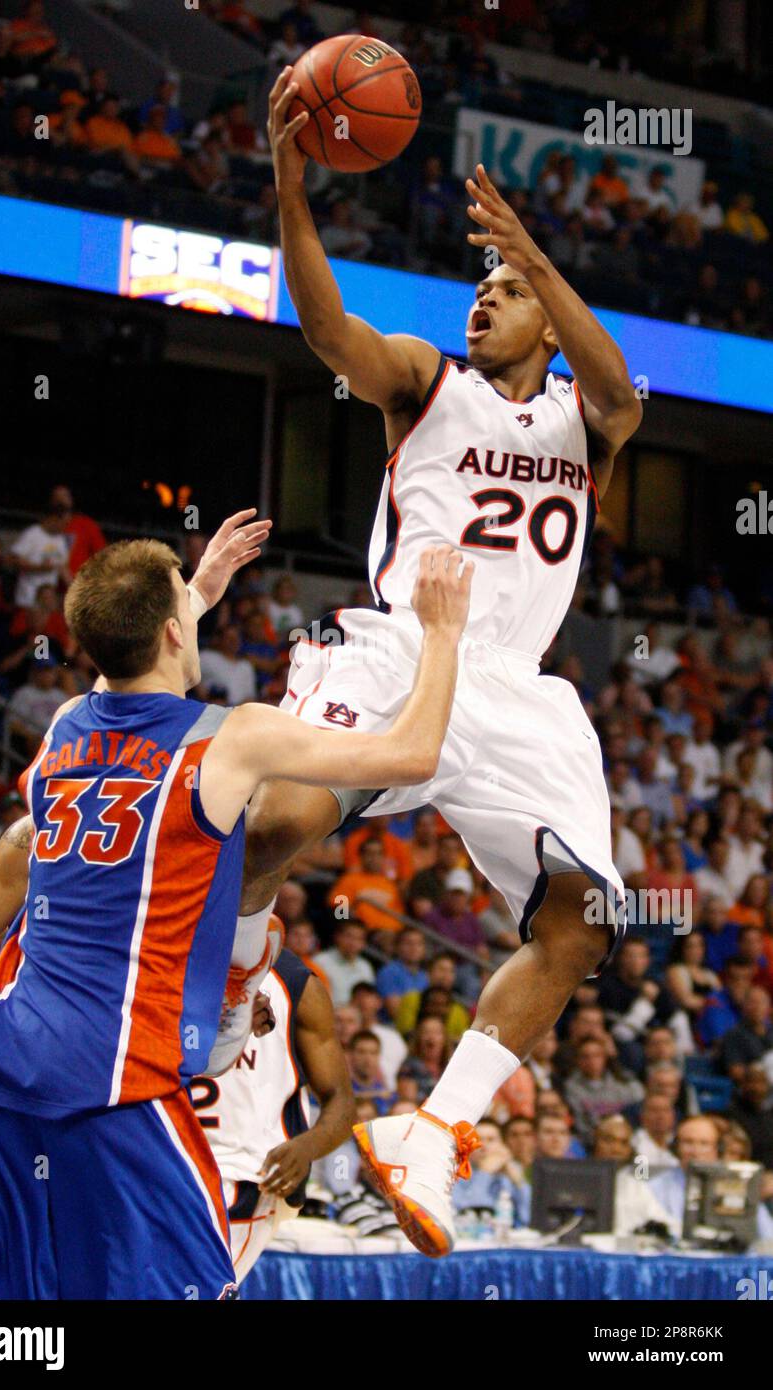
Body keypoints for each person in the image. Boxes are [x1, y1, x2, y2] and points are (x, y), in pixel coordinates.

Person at [240, 67, 643, 1257]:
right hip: (401, 650)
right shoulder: (425, 380)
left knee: (579, 925)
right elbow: (326, 331)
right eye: (481, 284)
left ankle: (435, 1131)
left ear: (547, 318)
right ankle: (207, 990)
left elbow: (615, 385)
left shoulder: (589, 418)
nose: (485, 300)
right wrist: (292, 188)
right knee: (273, 825)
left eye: (507, 291)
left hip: (518, 689)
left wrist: (541, 259)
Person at [0, 515, 472, 1298]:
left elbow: (118, 657)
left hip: (1, 1068)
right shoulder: (230, 739)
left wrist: (196, 594)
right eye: (186, 604)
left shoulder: (63, 729)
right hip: (115, 1084)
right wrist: (443, 631)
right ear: (176, 632)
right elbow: (415, 753)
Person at [192, 948, 353, 1280]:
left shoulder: (294, 982)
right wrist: (218, 1035)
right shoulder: (153, 953)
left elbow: (341, 1103)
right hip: (155, 1165)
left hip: (241, 1176)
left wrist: (306, 1147)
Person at [649, 1115, 773, 1243]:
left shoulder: (738, 1186)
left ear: (718, 1149)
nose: (695, 1151)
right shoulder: (653, 1188)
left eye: (704, 1143)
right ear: (676, 1148)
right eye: (688, 1142)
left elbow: (768, 1237)